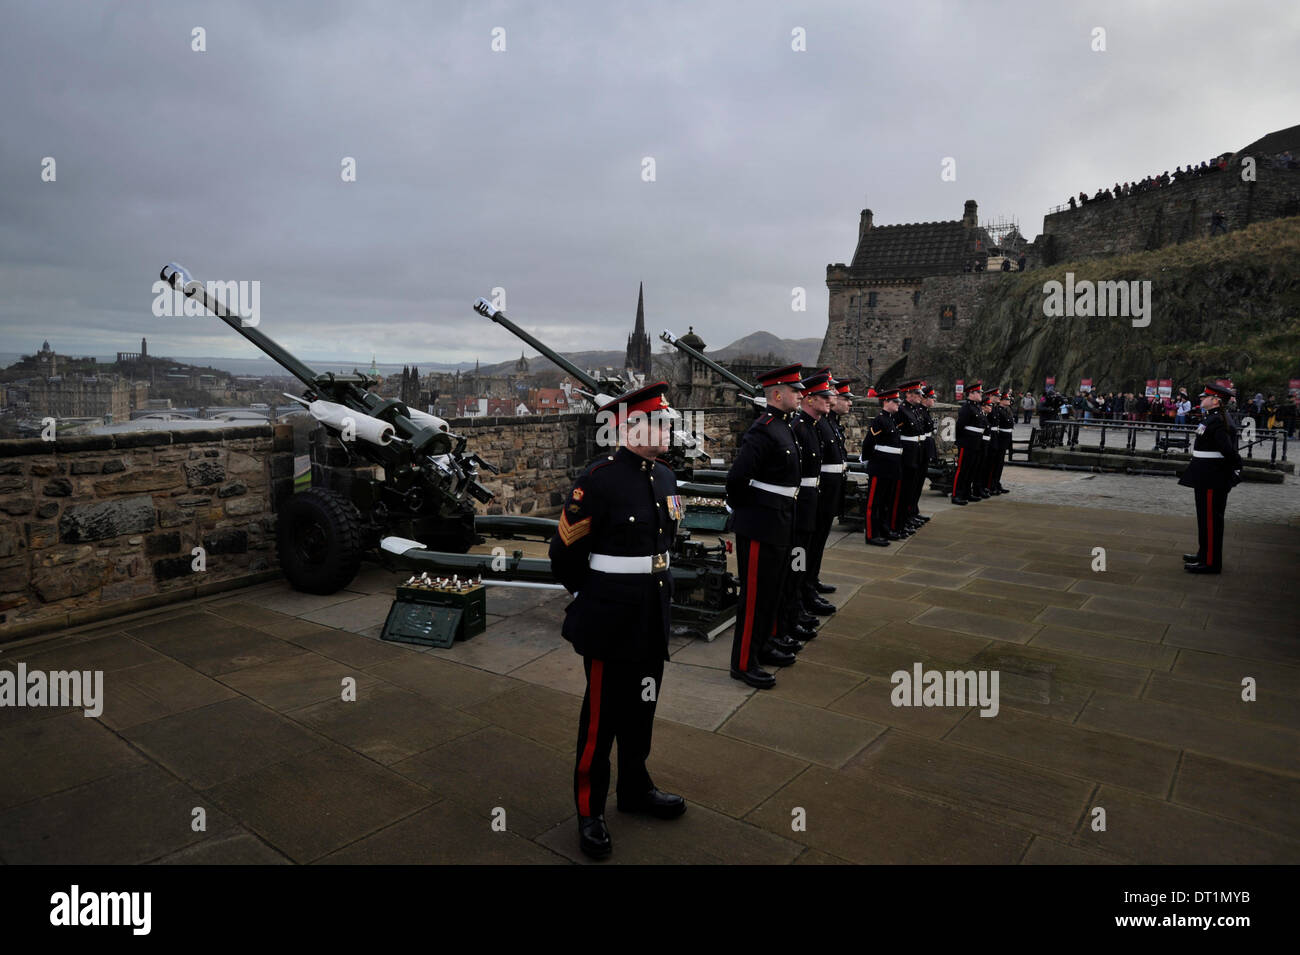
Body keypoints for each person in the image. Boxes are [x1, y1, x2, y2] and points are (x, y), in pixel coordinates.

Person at [549, 381, 687, 860]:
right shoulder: (600, 479)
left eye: (669, 422)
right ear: (629, 427)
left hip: (652, 614)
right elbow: (564, 554)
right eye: (658, 423)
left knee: (642, 709)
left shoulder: (665, 477)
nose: (668, 430)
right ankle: (590, 810)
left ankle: (634, 788)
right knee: (601, 720)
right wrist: (592, 597)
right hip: (611, 619)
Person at [725, 364, 805, 689]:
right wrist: (752, 514)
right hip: (760, 524)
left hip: (781, 519)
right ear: (776, 394)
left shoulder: (785, 426)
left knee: (772, 591)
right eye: (795, 390)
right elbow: (736, 480)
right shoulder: (763, 429)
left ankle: (764, 645)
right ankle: (743, 662)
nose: (801, 394)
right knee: (755, 596)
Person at [1179, 383, 1243, 574]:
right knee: (1204, 518)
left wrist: (1237, 469)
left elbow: (1228, 451)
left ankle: (1211, 562)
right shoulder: (1212, 418)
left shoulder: (1219, 421)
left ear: (1216, 401)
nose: (1201, 399)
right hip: (1204, 474)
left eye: (1205, 397)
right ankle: (1204, 553)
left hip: (1212, 476)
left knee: (1211, 520)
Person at [805, 373, 849, 602]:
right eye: (829, 391)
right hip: (816, 493)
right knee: (806, 546)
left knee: (819, 540)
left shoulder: (827, 421)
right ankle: (805, 585)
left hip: (827, 489)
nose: (833, 395)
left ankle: (811, 579)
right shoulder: (814, 423)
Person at [863, 388, 904, 544]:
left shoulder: (892, 419)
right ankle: (872, 535)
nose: (898, 404)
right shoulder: (880, 420)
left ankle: (884, 530)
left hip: (892, 466)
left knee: (887, 502)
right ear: (886, 402)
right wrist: (868, 461)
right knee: (874, 503)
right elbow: (868, 443)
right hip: (880, 466)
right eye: (895, 401)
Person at [894, 380, 928, 536]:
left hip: (916, 453)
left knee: (912, 489)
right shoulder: (902, 411)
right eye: (917, 393)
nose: (920, 397)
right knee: (904, 491)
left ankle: (908, 516)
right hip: (907, 455)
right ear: (907, 394)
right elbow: (898, 435)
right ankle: (902, 520)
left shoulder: (914, 410)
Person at [951, 381, 985, 505]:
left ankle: (966, 493)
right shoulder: (967, 408)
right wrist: (960, 442)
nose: (981, 394)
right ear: (971, 393)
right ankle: (956, 495)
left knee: (971, 469)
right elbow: (959, 426)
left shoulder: (976, 407)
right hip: (967, 443)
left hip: (976, 442)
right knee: (962, 470)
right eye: (979, 392)